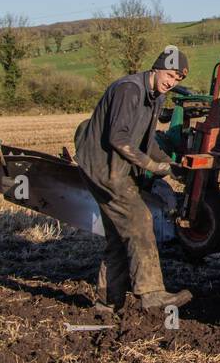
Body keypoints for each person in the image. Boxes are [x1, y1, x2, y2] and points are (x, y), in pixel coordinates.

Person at [75, 48, 193, 313]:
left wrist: (170, 166)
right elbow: (118, 138)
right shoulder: (128, 90)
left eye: (177, 79)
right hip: (104, 168)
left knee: (119, 235)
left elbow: (147, 142)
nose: (171, 82)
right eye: (170, 75)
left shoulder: (157, 98)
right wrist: (152, 166)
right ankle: (151, 293)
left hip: (114, 168)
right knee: (140, 219)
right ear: (156, 68)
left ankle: (107, 303)